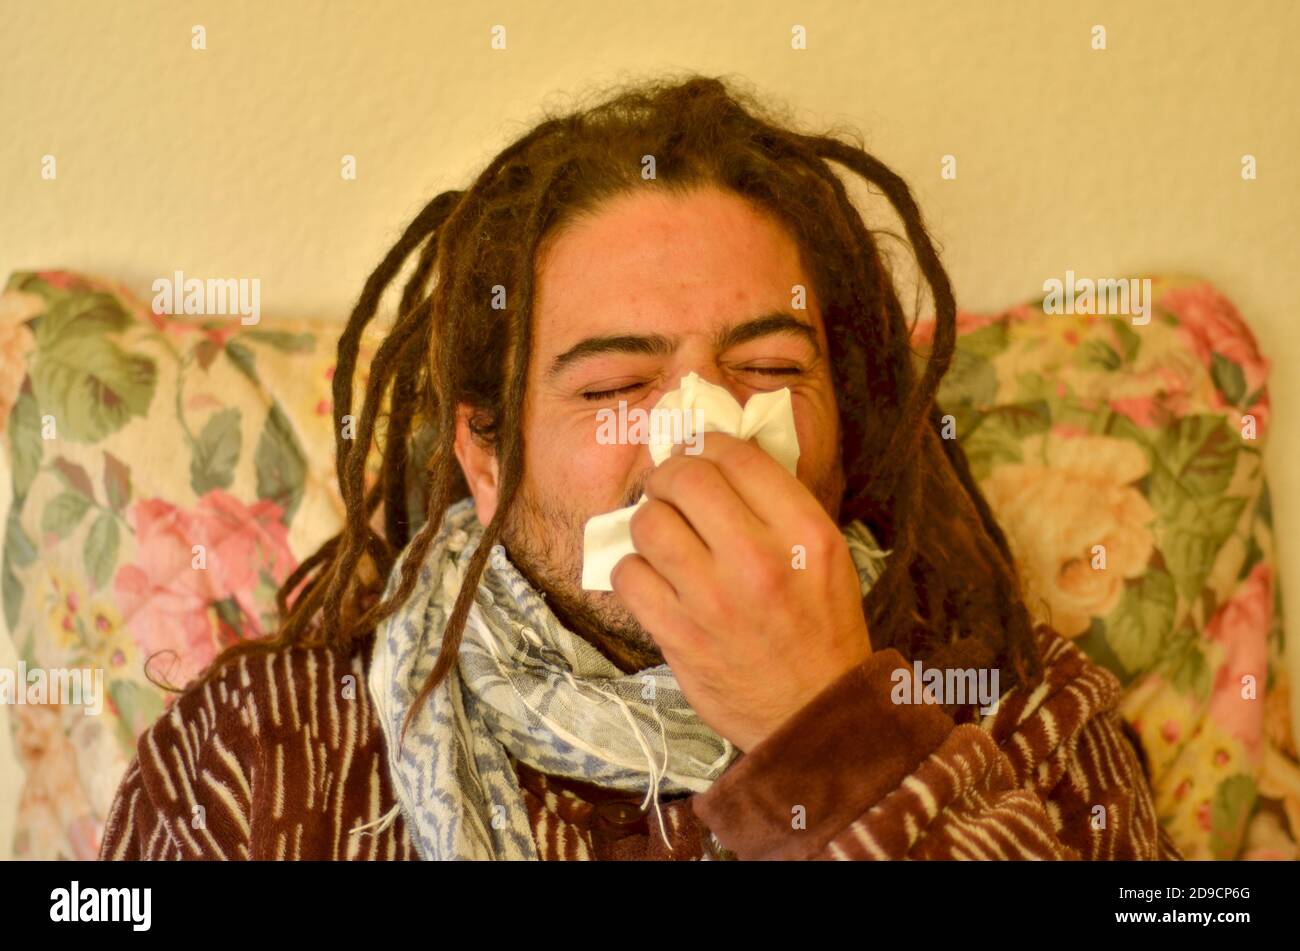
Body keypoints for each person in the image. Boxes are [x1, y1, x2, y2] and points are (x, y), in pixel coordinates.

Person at [98, 74, 1181, 861]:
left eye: (764, 366)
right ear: (486, 454)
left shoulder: (1025, 717)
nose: (700, 436)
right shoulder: (265, 751)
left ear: (843, 419)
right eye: (615, 387)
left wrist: (829, 739)